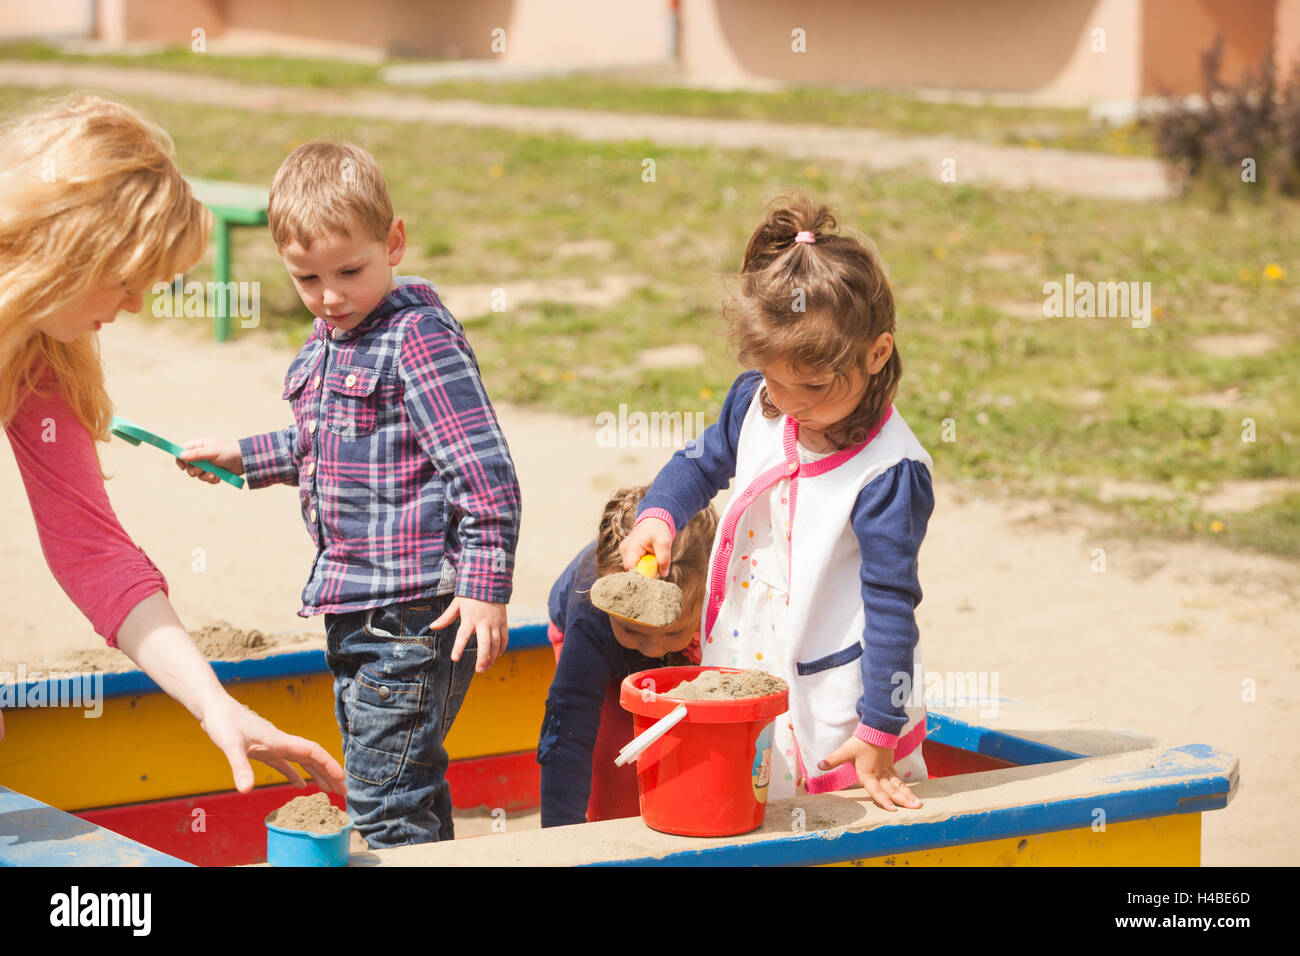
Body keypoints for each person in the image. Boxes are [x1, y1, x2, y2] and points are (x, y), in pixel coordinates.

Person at [178, 141, 522, 848]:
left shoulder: (416, 339)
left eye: (349, 272)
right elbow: (325, 442)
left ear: (393, 243)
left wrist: (486, 586)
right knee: (403, 780)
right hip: (357, 607)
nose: (329, 295)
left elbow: (485, 472)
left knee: (380, 801)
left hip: (414, 613)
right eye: (306, 278)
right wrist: (246, 456)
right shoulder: (332, 337)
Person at [0, 93, 345, 795]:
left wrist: (216, 704)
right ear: (64, 252)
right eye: (126, 282)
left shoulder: (40, 358)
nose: (133, 307)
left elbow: (90, 549)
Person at [620, 195, 935, 812]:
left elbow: (892, 611)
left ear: (877, 353)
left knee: (832, 815)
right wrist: (660, 515)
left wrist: (878, 731)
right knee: (748, 792)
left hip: (838, 691)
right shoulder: (754, 402)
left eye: (814, 387)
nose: (790, 402)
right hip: (744, 644)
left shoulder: (889, 473)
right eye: (775, 380)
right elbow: (699, 462)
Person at [539, 485, 717, 828]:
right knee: (613, 762)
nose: (652, 648)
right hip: (600, 647)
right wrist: (560, 835)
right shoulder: (592, 614)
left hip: (679, 652)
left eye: (670, 631)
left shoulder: (718, 598)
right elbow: (567, 730)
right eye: (634, 630)